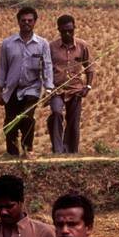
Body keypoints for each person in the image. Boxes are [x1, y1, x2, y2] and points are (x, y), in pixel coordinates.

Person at [0, 6, 54, 156]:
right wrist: (0, 91)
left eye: (30, 20)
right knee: (10, 121)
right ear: (18, 22)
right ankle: (12, 153)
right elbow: (2, 68)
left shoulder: (42, 44)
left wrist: (48, 89)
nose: (26, 23)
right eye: (23, 20)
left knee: (27, 117)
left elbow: (47, 66)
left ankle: (28, 149)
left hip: (32, 88)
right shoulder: (7, 44)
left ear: (35, 22)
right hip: (11, 89)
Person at [48, 14, 93, 155]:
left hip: (76, 90)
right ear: (58, 30)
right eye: (63, 31)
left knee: (73, 120)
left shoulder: (82, 46)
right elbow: (46, 68)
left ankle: (71, 151)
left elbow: (89, 68)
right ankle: (58, 150)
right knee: (56, 113)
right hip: (57, 90)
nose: (67, 33)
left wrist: (88, 86)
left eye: (70, 30)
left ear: (74, 28)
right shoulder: (51, 47)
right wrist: (49, 88)